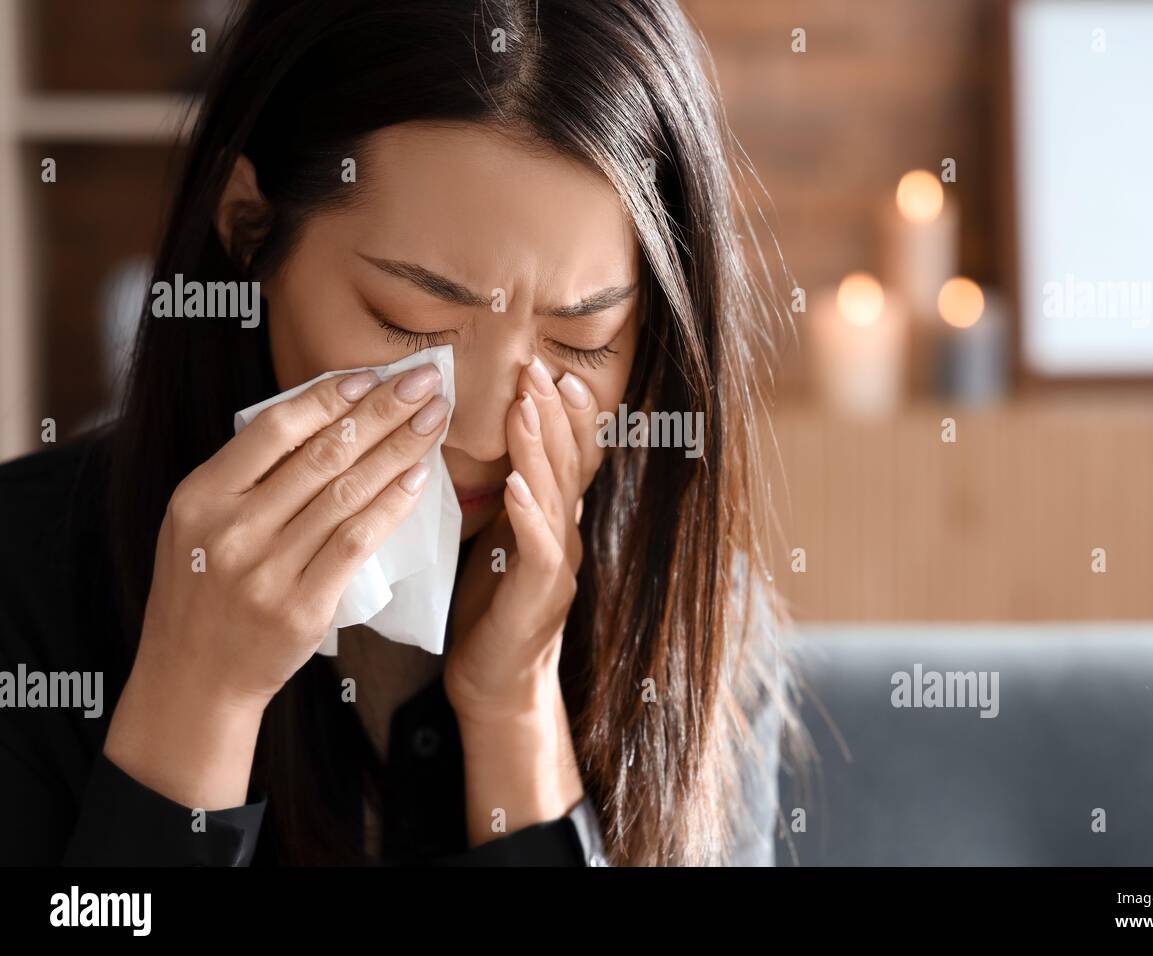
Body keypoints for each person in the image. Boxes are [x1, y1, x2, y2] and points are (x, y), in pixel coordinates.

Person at [0, 0, 802, 866]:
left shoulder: (687, 608)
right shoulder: (25, 580)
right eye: (412, 319)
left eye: (581, 338)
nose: (490, 430)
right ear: (247, 230)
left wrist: (516, 711)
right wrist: (200, 701)